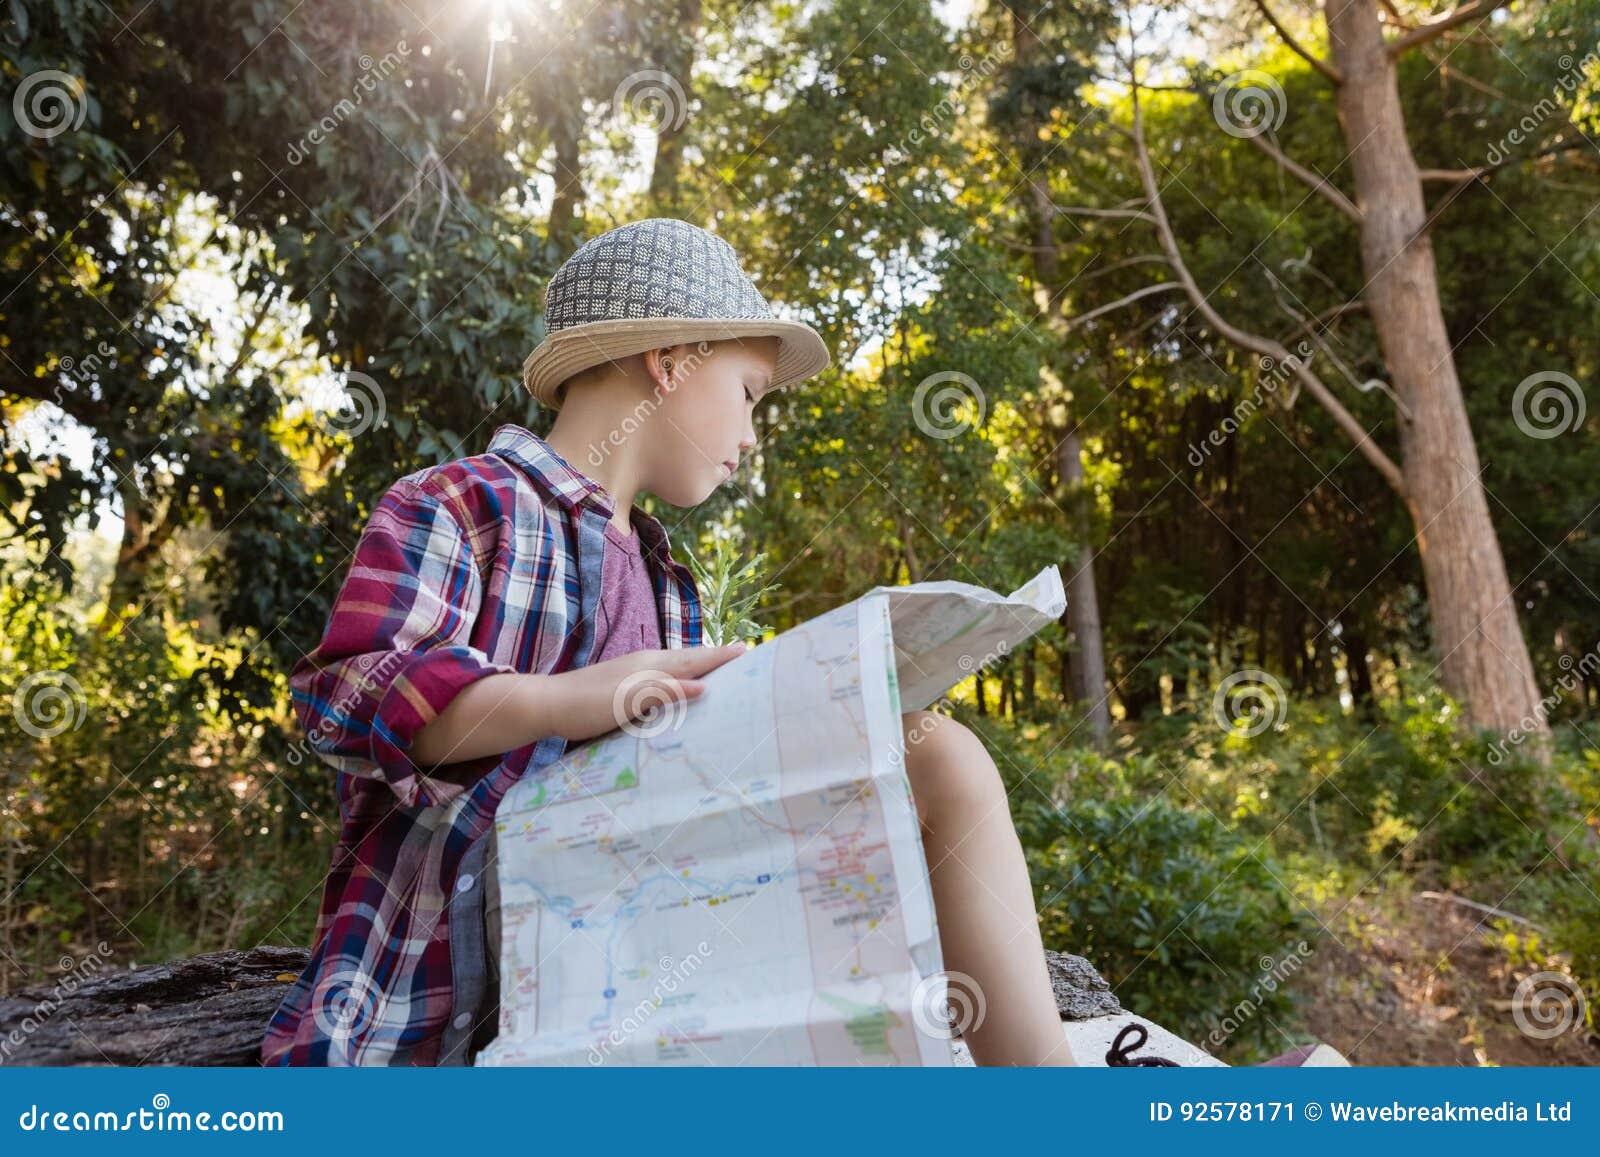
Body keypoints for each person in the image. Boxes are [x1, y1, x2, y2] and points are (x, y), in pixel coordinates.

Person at [261, 218, 1073, 1067]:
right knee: (936, 756)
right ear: (673, 357)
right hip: (447, 984)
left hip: (634, 975)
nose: (752, 436)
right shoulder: (460, 502)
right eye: (752, 393)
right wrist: (585, 696)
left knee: (930, 752)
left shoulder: (670, 588)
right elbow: (350, 696)